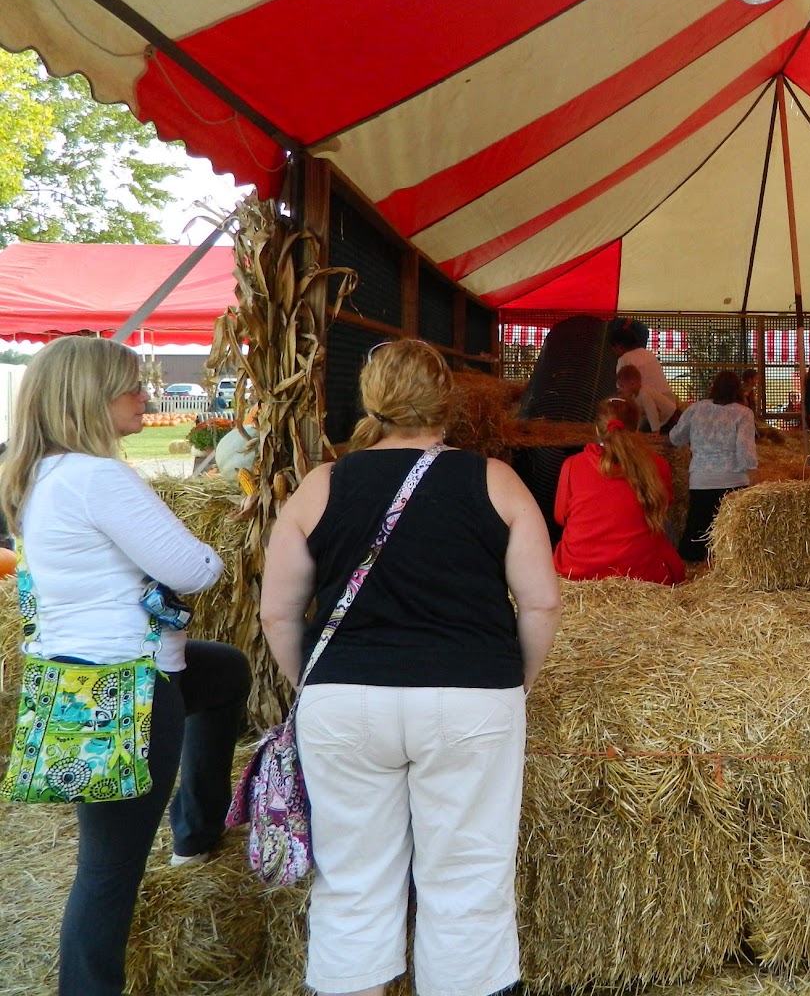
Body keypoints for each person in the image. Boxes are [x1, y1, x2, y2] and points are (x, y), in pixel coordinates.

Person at [259, 340, 562, 996]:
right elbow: (540, 601)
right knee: (468, 877)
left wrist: (312, 687)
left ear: (371, 399)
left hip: (343, 697)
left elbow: (278, 615)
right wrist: (521, 681)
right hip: (471, 697)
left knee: (353, 880)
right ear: (447, 400)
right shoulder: (495, 480)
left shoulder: (321, 485)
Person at [0, 336, 250, 996]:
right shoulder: (97, 476)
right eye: (130, 386)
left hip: (76, 680)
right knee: (108, 872)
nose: (144, 394)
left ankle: (196, 834)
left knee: (226, 671)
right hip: (127, 691)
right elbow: (196, 569)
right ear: (88, 397)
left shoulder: (40, 473)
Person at [553, 398, 685, 584]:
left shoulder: (572, 465)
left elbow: (560, 517)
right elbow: (664, 505)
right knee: (665, 527)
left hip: (577, 571)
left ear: (598, 430)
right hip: (643, 574)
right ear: (637, 428)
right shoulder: (658, 465)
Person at [669, 369, 758, 564]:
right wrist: (751, 471)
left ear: (713, 388)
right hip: (733, 479)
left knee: (696, 530)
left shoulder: (696, 408)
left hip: (701, 478)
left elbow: (676, 438)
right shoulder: (743, 413)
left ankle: (691, 565)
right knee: (732, 534)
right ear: (739, 391)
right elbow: (745, 450)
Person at [610, 316, 680, 433]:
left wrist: (655, 431)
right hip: (670, 404)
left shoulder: (624, 360)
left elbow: (651, 411)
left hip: (659, 415)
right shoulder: (648, 353)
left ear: (619, 346)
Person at [617, 362, 676, 434]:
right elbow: (640, 415)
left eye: (622, 386)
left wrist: (655, 431)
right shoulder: (634, 396)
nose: (619, 389)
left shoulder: (644, 394)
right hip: (663, 419)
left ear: (632, 384)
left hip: (672, 417)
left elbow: (652, 412)